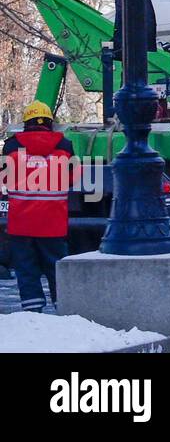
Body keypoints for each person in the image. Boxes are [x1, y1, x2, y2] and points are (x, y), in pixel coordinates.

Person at [2, 101, 75, 312]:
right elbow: (71, 178)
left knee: (26, 270)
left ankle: (33, 314)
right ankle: (63, 309)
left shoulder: (11, 146)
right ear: (50, 123)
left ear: (26, 123)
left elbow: (4, 180)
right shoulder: (64, 146)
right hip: (53, 225)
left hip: (21, 225)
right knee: (56, 269)